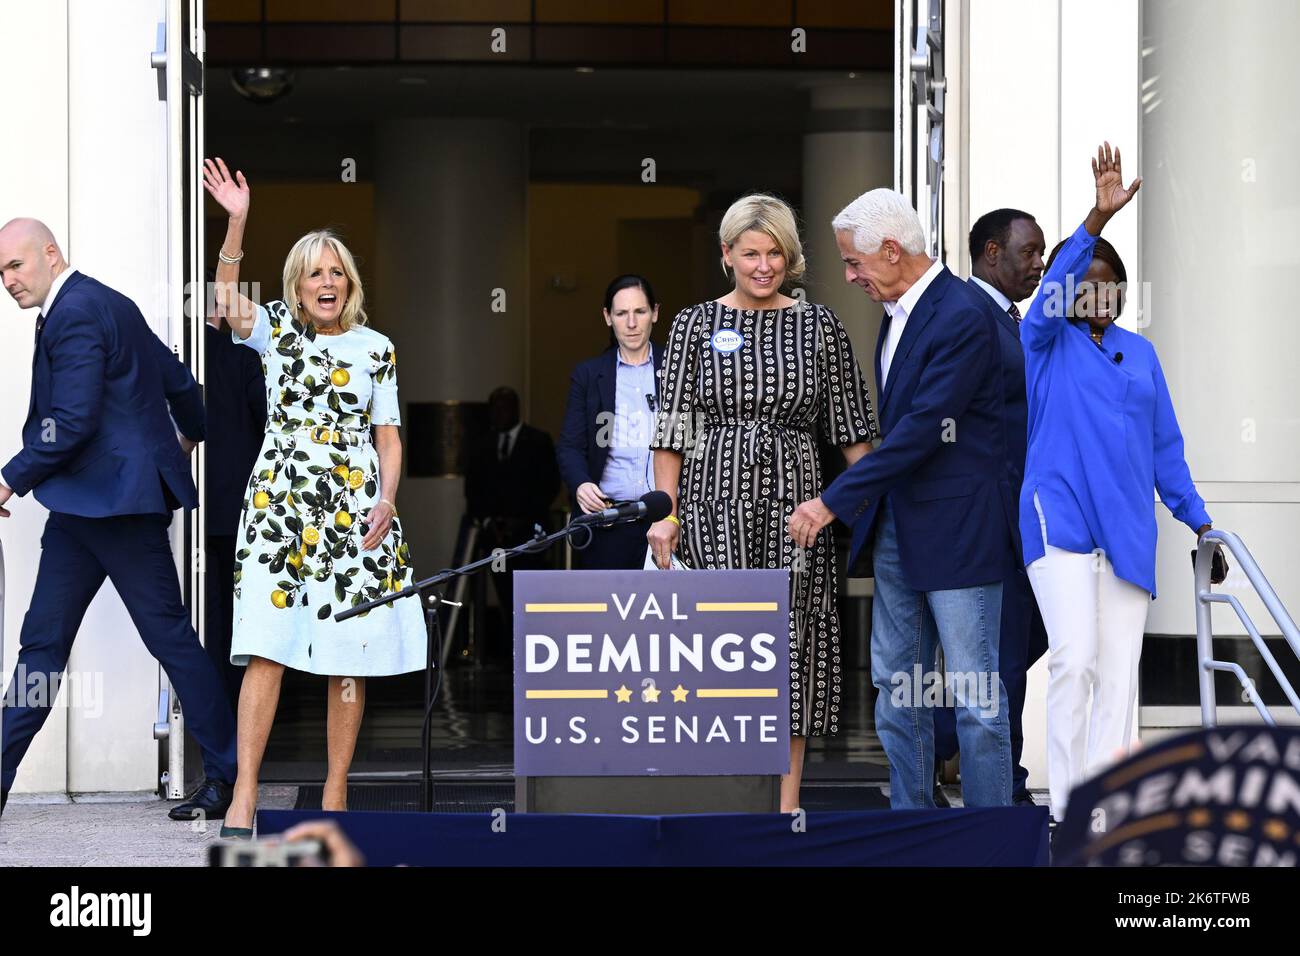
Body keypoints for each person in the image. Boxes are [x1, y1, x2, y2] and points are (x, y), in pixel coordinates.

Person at [202, 157, 427, 838]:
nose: (327, 282)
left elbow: (388, 436)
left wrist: (387, 500)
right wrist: (237, 223)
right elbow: (222, 301)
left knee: (348, 652)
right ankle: (244, 792)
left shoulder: (376, 347)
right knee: (267, 646)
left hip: (353, 508)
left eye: (337, 271)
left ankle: (335, 791)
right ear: (297, 285)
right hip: (280, 506)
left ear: (349, 284)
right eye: (315, 272)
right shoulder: (276, 329)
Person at [0, 217, 237, 820]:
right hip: (85, 508)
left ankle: (230, 775)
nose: (7, 281)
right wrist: (188, 435)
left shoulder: (74, 311)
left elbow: (70, 420)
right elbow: (180, 382)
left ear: (50, 255)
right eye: (1, 272)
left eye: (15, 266)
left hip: (119, 509)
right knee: (44, 647)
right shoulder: (112, 304)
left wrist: (9, 476)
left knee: (168, 641)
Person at [789, 188, 1016, 809]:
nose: (848, 275)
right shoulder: (899, 312)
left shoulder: (963, 313)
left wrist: (831, 501)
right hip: (899, 529)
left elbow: (920, 430)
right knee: (897, 687)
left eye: (854, 262)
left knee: (972, 695)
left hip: (960, 534)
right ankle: (911, 828)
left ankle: (987, 839)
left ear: (892, 250)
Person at [649, 193, 877, 812]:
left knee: (790, 647)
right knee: (719, 647)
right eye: (750, 252)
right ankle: (724, 799)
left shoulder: (819, 325)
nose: (763, 265)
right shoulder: (695, 324)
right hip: (710, 507)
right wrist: (665, 515)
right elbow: (672, 429)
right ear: (726, 254)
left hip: (797, 513)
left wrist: (879, 514)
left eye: (775, 252)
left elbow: (854, 432)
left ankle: (784, 805)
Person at [1019, 143, 1213, 820]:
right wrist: (1096, 220)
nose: (1097, 294)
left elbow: (1166, 450)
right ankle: (1069, 811)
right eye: (1085, 282)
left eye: (1110, 285)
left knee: (1115, 676)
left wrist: (1200, 522)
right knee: (1072, 660)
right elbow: (1048, 296)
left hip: (1129, 531)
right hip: (1062, 520)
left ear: (1124, 293)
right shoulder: (1044, 342)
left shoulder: (1142, 355)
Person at [932, 208, 1050, 807]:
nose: (1039, 265)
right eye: (1030, 253)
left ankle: (951, 741)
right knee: (1000, 660)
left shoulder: (1014, 320)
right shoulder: (967, 313)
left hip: (1025, 519)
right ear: (992, 253)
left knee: (1021, 651)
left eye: (1045, 253)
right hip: (982, 518)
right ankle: (1000, 783)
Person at [556, 274, 665, 569]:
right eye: (621, 313)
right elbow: (569, 446)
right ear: (608, 317)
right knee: (607, 614)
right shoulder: (589, 375)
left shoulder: (675, 370)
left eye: (639, 312)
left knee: (669, 613)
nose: (631, 323)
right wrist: (580, 484)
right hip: (609, 521)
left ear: (654, 312)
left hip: (666, 521)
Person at [204, 275, 267, 712]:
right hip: (239, 506)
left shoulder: (177, 359)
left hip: (188, 509)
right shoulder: (242, 359)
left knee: (201, 616)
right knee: (237, 618)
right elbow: (270, 426)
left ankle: (207, 719)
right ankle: (233, 707)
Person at [464, 385, 561, 656]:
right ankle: (509, 653)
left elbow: (549, 485)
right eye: (494, 408)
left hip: (530, 536)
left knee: (531, 593)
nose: (499, 413)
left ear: (516, 409)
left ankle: (535, 651)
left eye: (504, 407)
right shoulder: (483, 444)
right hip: (495, 538)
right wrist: (488, 521)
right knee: (504, 591)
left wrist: (519, 520)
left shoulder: (538, 440)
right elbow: (473, 488)